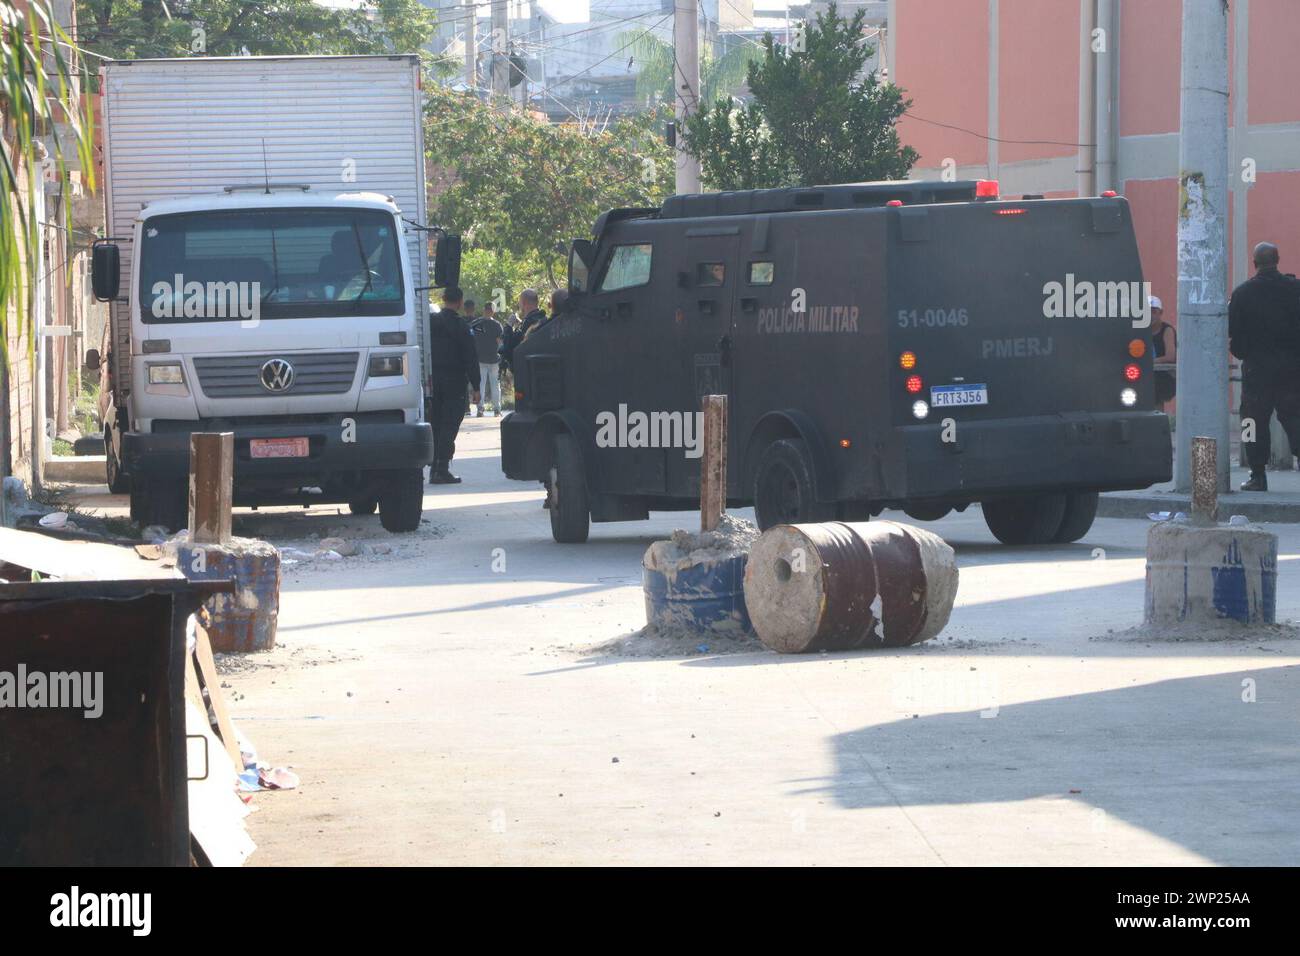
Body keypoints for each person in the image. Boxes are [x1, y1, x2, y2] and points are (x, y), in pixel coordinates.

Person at [1229, 242, 1300, 491]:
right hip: (1292, 369)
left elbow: (1234, 338)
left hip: (1257, 370)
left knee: (1250, 422)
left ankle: (1257, 474)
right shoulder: (1295, 289)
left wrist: (1244, 353)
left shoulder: (1242, 294)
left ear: (1254, 263)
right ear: (1278, 260)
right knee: (1295, 417)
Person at [425, 287, 480, 484]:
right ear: (459, 302)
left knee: (436, 422)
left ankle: (433, 467)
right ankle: (441, 467)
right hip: (454, 381)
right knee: (449, 424)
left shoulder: (429, 323)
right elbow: (470, 357)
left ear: (443, 299)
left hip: (432, 381)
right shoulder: (461, 326)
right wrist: (477, 386)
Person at [470, 303, 505, 417]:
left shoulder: (476, 324)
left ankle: (480, 409)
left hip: (480, 359)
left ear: (484, 309)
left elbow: (471, 338)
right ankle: (497, 409)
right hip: (493, 359)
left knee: (481, 385)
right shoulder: (497, 325)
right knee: (495, 385)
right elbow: (499, 342)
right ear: (493, 311)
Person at [501, 288, 546, 369]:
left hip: (525, 370)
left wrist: (509, 326)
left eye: (519, 302)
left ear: (523, 303)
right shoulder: (544, 320)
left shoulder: (528, 323)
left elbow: (509, 349)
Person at [1148, 295, 1176, 407]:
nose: (1150, 316)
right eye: (1147, 312)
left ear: (1161, 313)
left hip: (1164, 376)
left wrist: (1151, 362)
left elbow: (1170, 357)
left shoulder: (1167, 330)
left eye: (1153, 312)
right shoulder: (1138, 329)